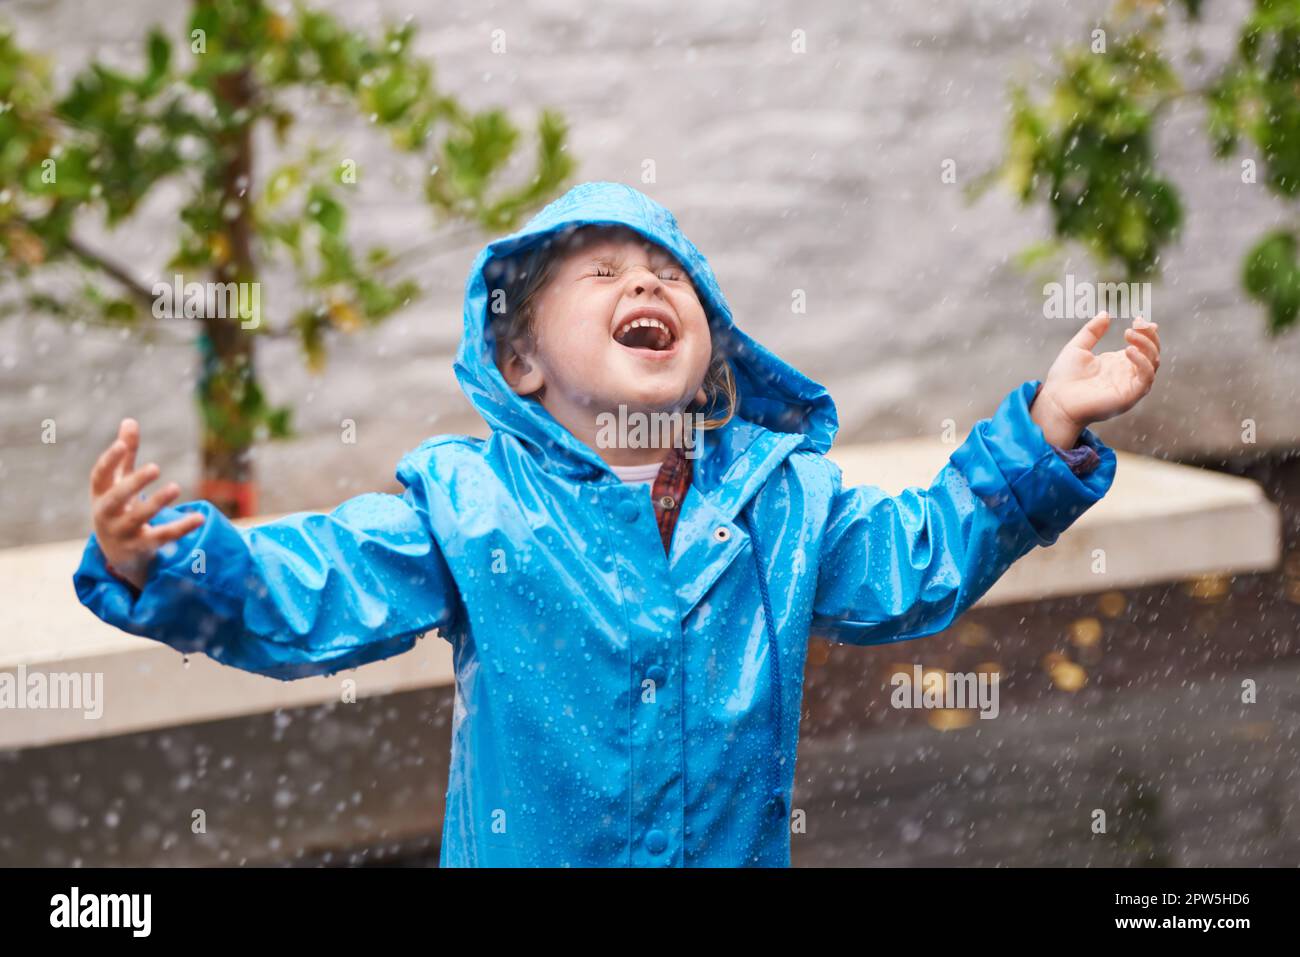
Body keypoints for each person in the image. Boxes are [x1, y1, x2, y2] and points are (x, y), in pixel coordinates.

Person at [74, 180, 1160, 866]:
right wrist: (169, 562)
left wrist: (1048, 426)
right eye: (600, 274)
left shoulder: (782, 504)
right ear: (522, 361)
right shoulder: (473, 506)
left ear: (713, 352)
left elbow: (919, 559)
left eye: (667, 278)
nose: (643, 282)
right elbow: (318, 584)